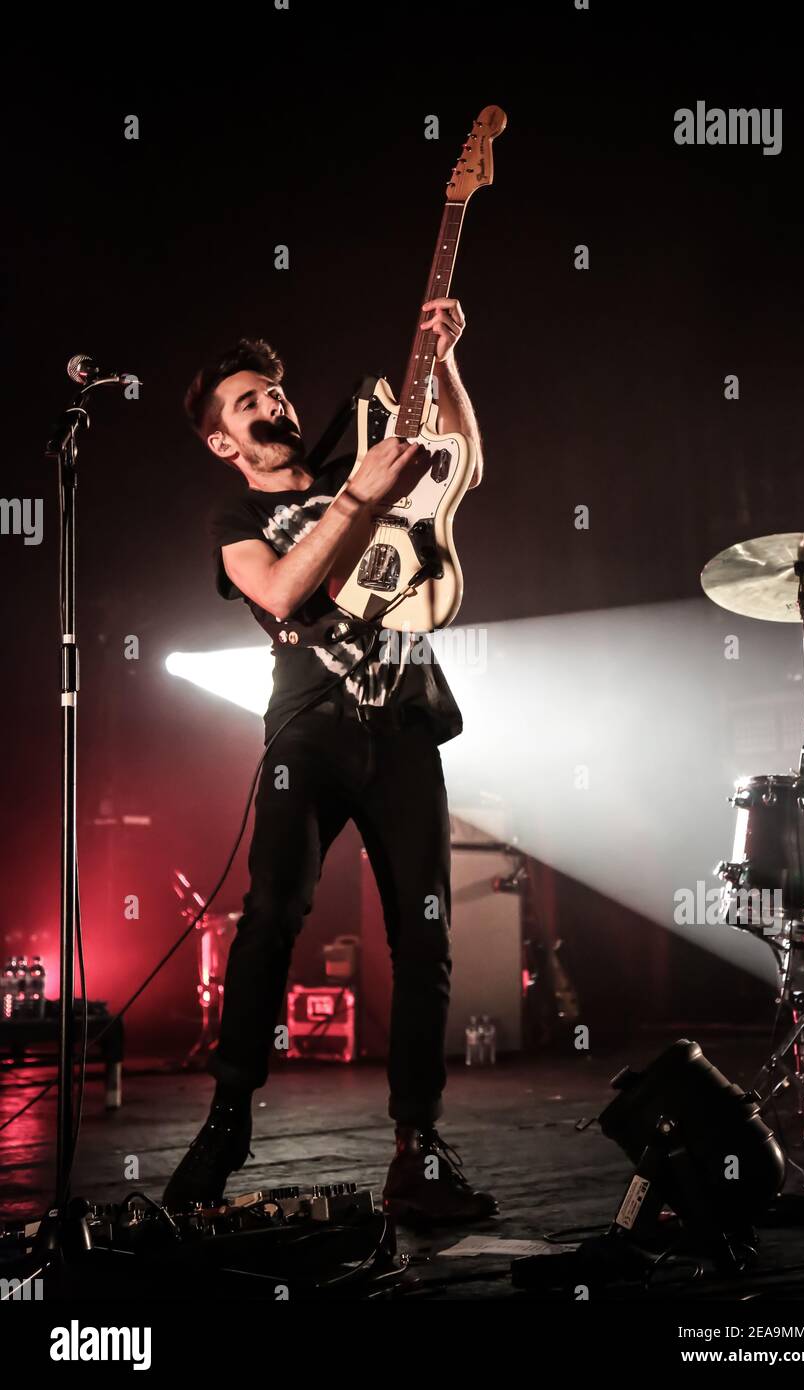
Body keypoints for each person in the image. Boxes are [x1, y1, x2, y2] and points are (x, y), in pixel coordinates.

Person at [163, 300, 498, 1226]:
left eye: (271, 388)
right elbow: (277, 588)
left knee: (425, 937)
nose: (269, 402)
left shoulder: (361, 455)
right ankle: (228, 1121)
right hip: (306, 728)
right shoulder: (240, 513)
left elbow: (460, 465)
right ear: (223, 442)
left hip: (403, 723)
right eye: (245, 402)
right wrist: (357, 500)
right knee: (273, 912)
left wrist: (449, 362)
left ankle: (417, 1147)